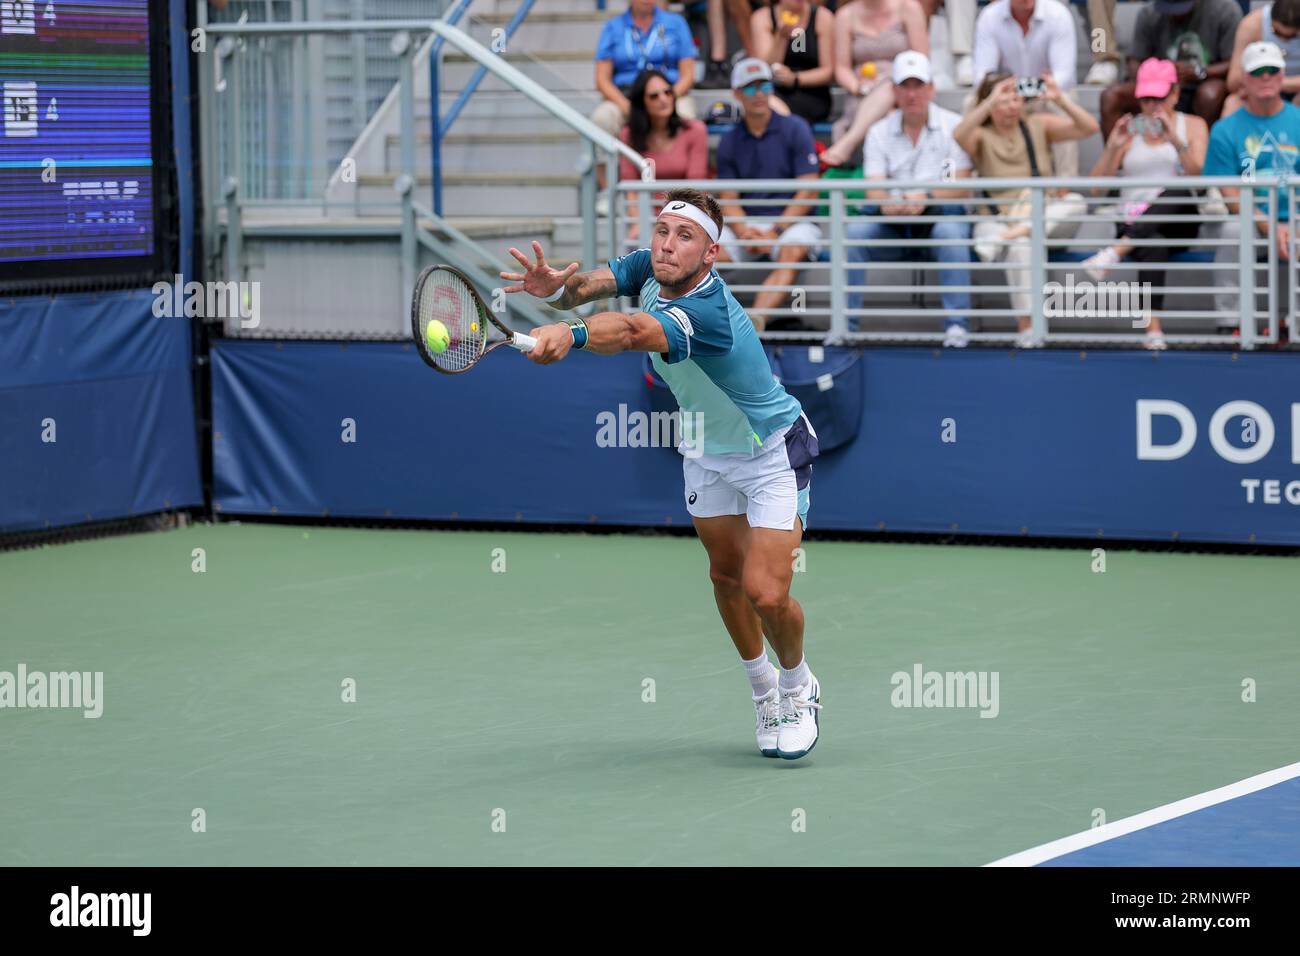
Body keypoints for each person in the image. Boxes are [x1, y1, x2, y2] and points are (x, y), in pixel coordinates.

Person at [499, 189, 824, 761]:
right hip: (704, 449)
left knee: (766, 593)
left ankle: (799, 684)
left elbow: (627, 332)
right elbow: (591, 286)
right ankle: (764, 692)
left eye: (685, 237)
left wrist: (571, 335)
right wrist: (557, 291)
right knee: (725, 579)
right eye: (663, 231)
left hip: (771, 451)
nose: (668, 245)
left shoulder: (708, 311)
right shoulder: (652, 266)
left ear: (711, 253)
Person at [953, 71, 1098, 346]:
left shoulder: (1038, 124)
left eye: (1015, 98)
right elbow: (959, 134)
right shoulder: (980, 135)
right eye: (1003, 99)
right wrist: (987, 101)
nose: (1011, 105)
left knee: (1075, 203)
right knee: (1021, 245)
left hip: (1039, 219)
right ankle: (1028, 330)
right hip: (998, 220)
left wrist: (1060, 99)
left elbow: (1089, 128)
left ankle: (1010, 236)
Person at [845, 51, 976, 345]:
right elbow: (874, 189)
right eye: (905, 86)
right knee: (854, 234)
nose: (912, 93)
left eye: (919, 85)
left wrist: (925, 197)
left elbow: (959, 185)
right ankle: (845, 328)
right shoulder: (879, 132)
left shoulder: (954, 126)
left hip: (939, 217)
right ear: (894, 91)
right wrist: (890, 203)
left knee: (951, 234)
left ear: (931, 89)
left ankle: (957, 327)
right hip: (893, 221)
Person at [1085, 58, 1210, 349]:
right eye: (1146, 99)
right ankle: (1153, 332)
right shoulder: (1129, 132)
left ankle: (1115, 251)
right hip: (1136, 225)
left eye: (1160, 97)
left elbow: (1198, 178)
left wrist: (1175, 141)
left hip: (1181, 219)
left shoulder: (1192, 125)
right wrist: (1114, 147)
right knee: (1153, 243)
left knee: (1178, 188)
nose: (1153, 106)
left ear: (1176, 95)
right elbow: (1095, 189)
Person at [714, 58, 824, 331]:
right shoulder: (729, 140)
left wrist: (774, 230)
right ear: (737, 94)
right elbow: (728, 197)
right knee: (704, 255)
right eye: (750, 88)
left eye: (764, 85)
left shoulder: (796, 127)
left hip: (788, 225)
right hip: (748, 226)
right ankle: (710, 327)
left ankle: (751, 325)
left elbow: (809, 191)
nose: (760, 93)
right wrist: (744, 232)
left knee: (793, 249)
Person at [1204, 41, 1300, 330]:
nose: (1266, 77)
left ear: (1282, 75)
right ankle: (1230, 324)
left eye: (1272, 70)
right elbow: (1230, 194)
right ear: (1244, 79)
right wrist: (1269, 224)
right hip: (1252, 219)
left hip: (1296, 216)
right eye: (1258, 72)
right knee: (1232, 231)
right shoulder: (1225, 130)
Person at [1099, 0, 1240, 138]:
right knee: (1111, 96)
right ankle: (1115, 156)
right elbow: (1135, 59)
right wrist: (1153, 77)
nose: (1175, 13)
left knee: (1209, 94)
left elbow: (1234, 64)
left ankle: (1204, 154)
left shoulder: (1225, 10)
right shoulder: (1148, 13)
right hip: (1158, 86)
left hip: (1204, 83)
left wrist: (1199, 72)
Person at [971, 0, 1080, 175]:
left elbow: (1064, 77)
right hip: (1007, 95)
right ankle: (968, 180)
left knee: (1065, 100)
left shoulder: (1058, 14)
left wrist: (1024, 92)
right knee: (970, 102)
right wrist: (1012, 95)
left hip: (1043, 95)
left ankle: (1064, 187)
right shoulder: (989, 16)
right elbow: (982, 77)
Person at [821, 0, 930, 169]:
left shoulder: (909, 8)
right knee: (889, 116)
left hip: (905, 88)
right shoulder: (845, 15)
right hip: (861, 95)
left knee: (890, 88)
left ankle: (847, 143)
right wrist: (858, 87)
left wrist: (897, 81)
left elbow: (921, 60)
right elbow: (842, 69)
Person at [619, 70, 711, 243]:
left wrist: (680, 224)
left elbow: (697, 188)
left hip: (686, 215)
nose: (663, 99)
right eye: (654, 96)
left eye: (668, 92)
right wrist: (637, 222)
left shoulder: (695, 130)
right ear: (641, 102)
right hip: (647, 218)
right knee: (640, 247)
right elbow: (630, 189)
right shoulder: (628, 135)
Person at [593, 1, 700, 139]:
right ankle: (605, 161)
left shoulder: (676, 23)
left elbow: (688, 76)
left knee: (686, 116)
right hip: (627, 96)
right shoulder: (612, 27)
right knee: (602, 118)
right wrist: (628, 106)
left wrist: (667, 98)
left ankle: (679, 160)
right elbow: (602, 80)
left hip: (668, 93)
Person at [751, 0, 837, 125]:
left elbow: (828, 72)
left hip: (811, 92)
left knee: (782, 114)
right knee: (766, 104)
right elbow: (763, 69)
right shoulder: (762, 18)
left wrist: (795, 79)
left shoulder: (822, 17)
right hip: (775, 90)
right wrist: (781, 37)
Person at [1223, 0, 1300, 116]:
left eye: (1292, 36)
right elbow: (1233, 81)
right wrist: (1265, 85)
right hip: (1258, 87)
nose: (1283, 40)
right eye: (1276, 32)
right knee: (1233, 103)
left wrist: (1278, 83)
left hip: (1296, 91)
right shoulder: (1252, 25)